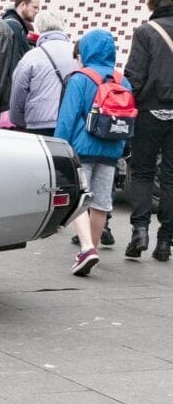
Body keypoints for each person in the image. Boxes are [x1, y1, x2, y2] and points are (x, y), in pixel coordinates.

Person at [56, 28, 131, 275]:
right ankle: (92, 249)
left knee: (79, 197)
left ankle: (87, 248)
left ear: (86, 50)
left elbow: (67, 118)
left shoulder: (80, 77)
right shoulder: (122, 81)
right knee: (101, 202)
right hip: (111, 149)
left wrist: (58, 148)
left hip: (82, 148)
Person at [122, 0, 173, 262]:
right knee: (171, 176)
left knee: (141, 173)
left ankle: (139, 231)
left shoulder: (146, 31)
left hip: (149, 112)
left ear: (155, 1)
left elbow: (134, 77)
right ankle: (165, 241)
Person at [8, 10, 77, 136]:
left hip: (38, 123)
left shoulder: (32, 56)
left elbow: (18, 92)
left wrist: (18, 121)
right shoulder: (78, 54)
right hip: (71, 122)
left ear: (39, 27)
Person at [3, 0, 40, 70]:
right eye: (35, 7)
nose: (37, 11)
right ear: (23, 5)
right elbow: (12, 62)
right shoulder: (13, 26)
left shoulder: (17, 25)